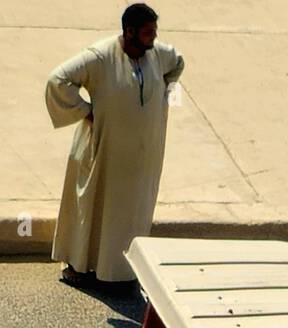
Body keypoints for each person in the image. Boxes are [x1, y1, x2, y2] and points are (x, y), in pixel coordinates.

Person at [45, 4, 184, 289]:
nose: (153, 39)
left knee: (129, 213)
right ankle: (81, 269)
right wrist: (85, 110)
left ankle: (120, 273)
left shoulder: (158, 55)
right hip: (104, 152)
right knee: (94, 209)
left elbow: (178, 63)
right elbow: (58, 80)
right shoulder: (100, 57)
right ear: (129, 31)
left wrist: (162, 98)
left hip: (141, 157)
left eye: (155, 32)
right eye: (147, 33)